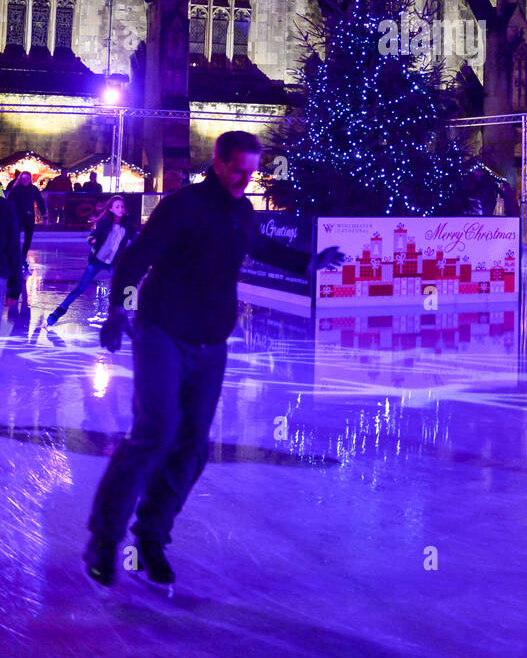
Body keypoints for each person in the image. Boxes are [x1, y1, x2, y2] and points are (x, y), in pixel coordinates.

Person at [83, 130, 345, 589]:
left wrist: (307, 263)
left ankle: (151, 536)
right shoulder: (183, 206)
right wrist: (119, 309)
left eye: (252, 170)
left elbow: (259, 247)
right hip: (162, 331)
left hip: (211, 343)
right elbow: (136, 259)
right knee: (154, 434)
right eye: (239, 169)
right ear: (219, 163)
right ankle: (104, 541)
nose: (246, 178)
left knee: (192, 445)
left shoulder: (241, 211)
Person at [46, 194, 136, 325]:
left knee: (123, 286)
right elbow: (93, 235)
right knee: (80, 288)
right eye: (117, 206)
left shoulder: (126, 225)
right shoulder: (105, 222)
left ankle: (125, 315)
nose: (120, 209)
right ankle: (59, 311)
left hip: (113, 263)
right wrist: (92, 240)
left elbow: (136, 237)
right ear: (111, 209)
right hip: (98, 261)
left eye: (122, 206)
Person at [7, 170, 47, 269]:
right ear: (20, 179)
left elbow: (40, 202)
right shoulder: (15, 189)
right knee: (15, 238)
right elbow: (9, 203)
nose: (25, 180)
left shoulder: (33, 189)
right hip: (17, 217)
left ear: (30, 179)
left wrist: (44, 216)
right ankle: (15, 258)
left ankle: (23, 257)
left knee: (28, 238)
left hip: (29, 217)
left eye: (27, 179)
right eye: (23, 179)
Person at [0, 189, 21, 308]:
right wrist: (14, 288)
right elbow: (13, 249)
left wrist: (14, 287)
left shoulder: (5, 207)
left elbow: (13, 249)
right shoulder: (5, 207)